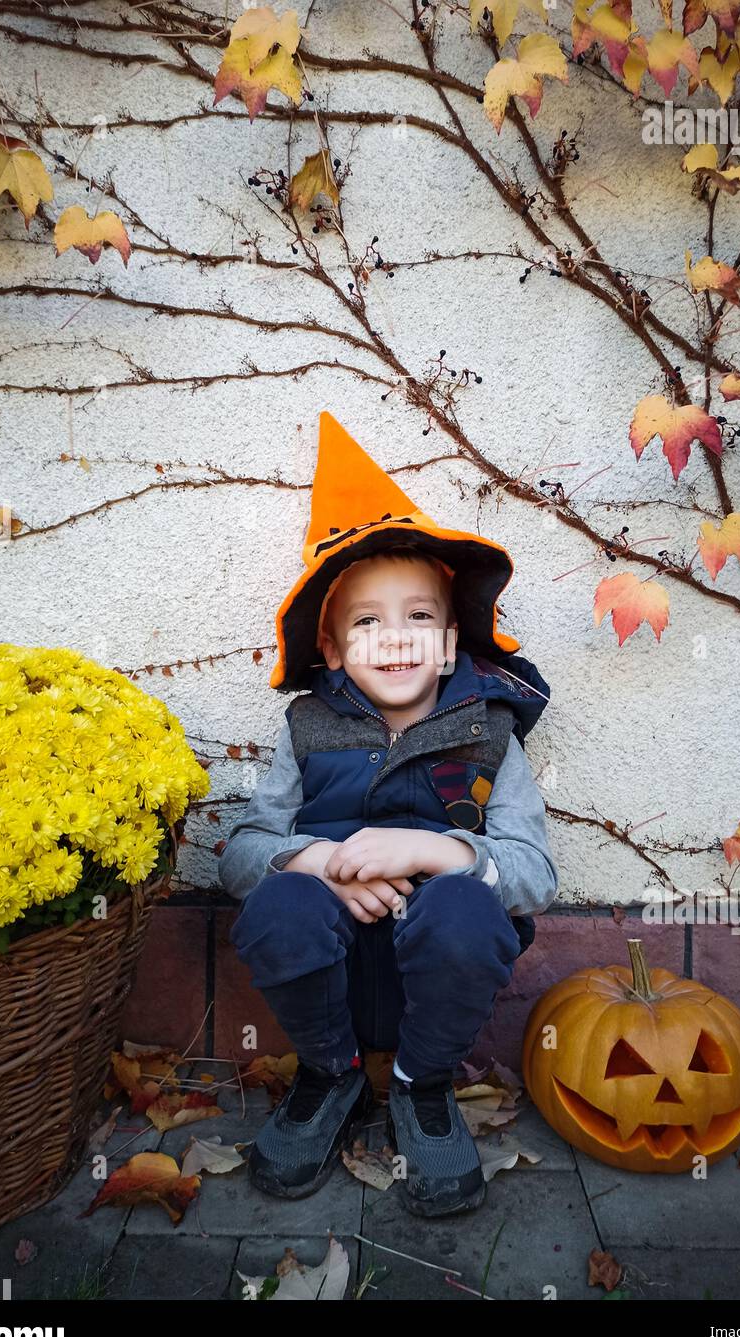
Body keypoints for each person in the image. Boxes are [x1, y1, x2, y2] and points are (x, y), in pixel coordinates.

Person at [219, 412, 558, 1217]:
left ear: (450, 643)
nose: (396, 639)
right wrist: (312, 862)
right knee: (280, 901)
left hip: (432, 983)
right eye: (367, 620)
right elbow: (238, 853)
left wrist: (440, 851)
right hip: (329, 975)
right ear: (332, 649)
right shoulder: (305, 729)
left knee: (470, 910)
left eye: (419, 618)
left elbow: (535, 877)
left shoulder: (489, 735)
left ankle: (421, 1085)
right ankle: (330, 1075)